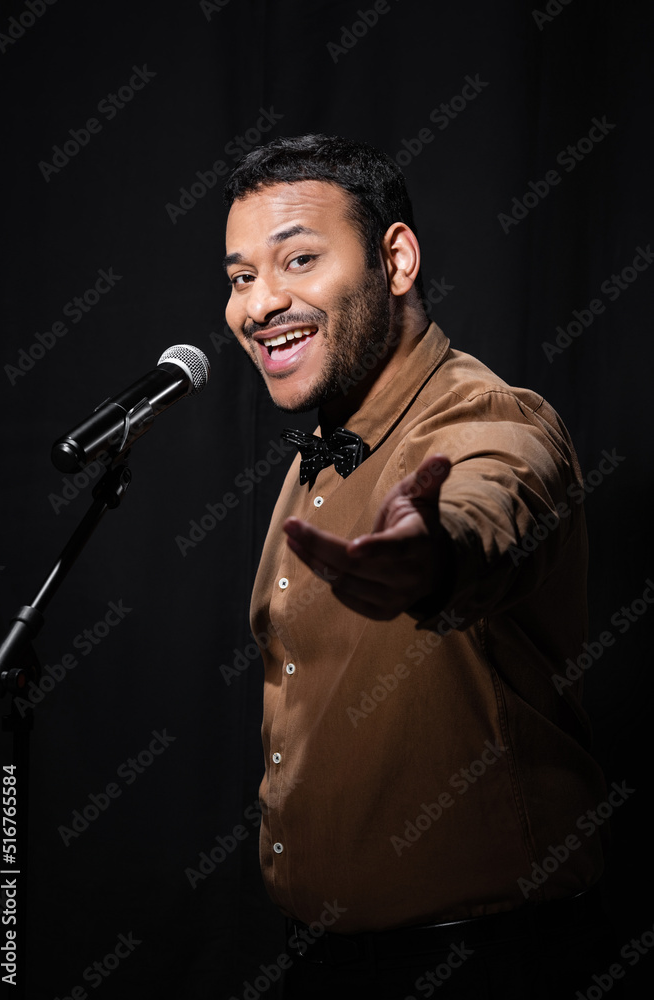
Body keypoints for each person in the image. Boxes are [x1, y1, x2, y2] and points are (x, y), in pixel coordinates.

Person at [222, 134, 615, 998]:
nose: (260, 302)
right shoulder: (316, 452)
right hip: (325, 960)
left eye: (298, 259)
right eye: (241, 276)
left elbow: (492, 493)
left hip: (486, 965)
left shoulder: (487, 414)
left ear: (395, 260)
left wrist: (432, 554)